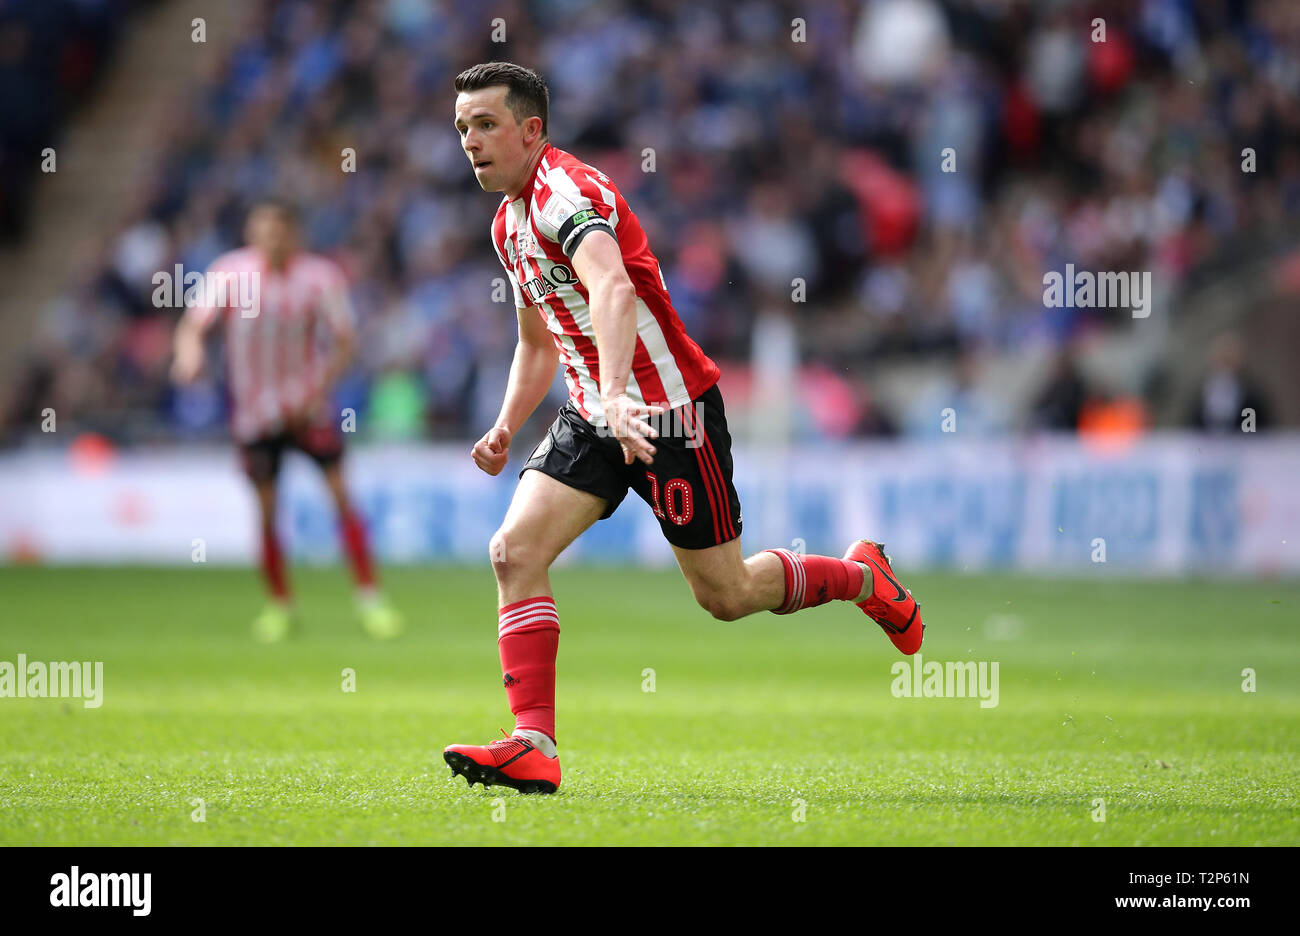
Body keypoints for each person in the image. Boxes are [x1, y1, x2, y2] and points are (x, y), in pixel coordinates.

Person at [442, 63, 923, 795]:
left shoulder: (565, 194)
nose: (470, 142)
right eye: (462, 129)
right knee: (513, 551)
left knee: (725, 595)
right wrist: (508, 425)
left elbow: (612, 285)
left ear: (531, 130)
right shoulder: (509, 225)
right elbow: (537, 342)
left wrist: (613, 393)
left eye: (484, 125)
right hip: (595, 417)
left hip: (670, 412)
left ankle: (863, 578)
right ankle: (532, 743)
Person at [170, 198, 402, 642]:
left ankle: (370, 599)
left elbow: (344, 343)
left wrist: (316, 391)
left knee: (341, 498)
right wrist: (190, 353)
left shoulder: (319, 278)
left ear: (294, 234)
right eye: (262, 231)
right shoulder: (230, 273)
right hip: (254, 415)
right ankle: (280, 605)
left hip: (307, 408)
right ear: (252, 235)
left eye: (278, 230)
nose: (270, 239)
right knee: (266, 511)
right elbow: (193, 326)